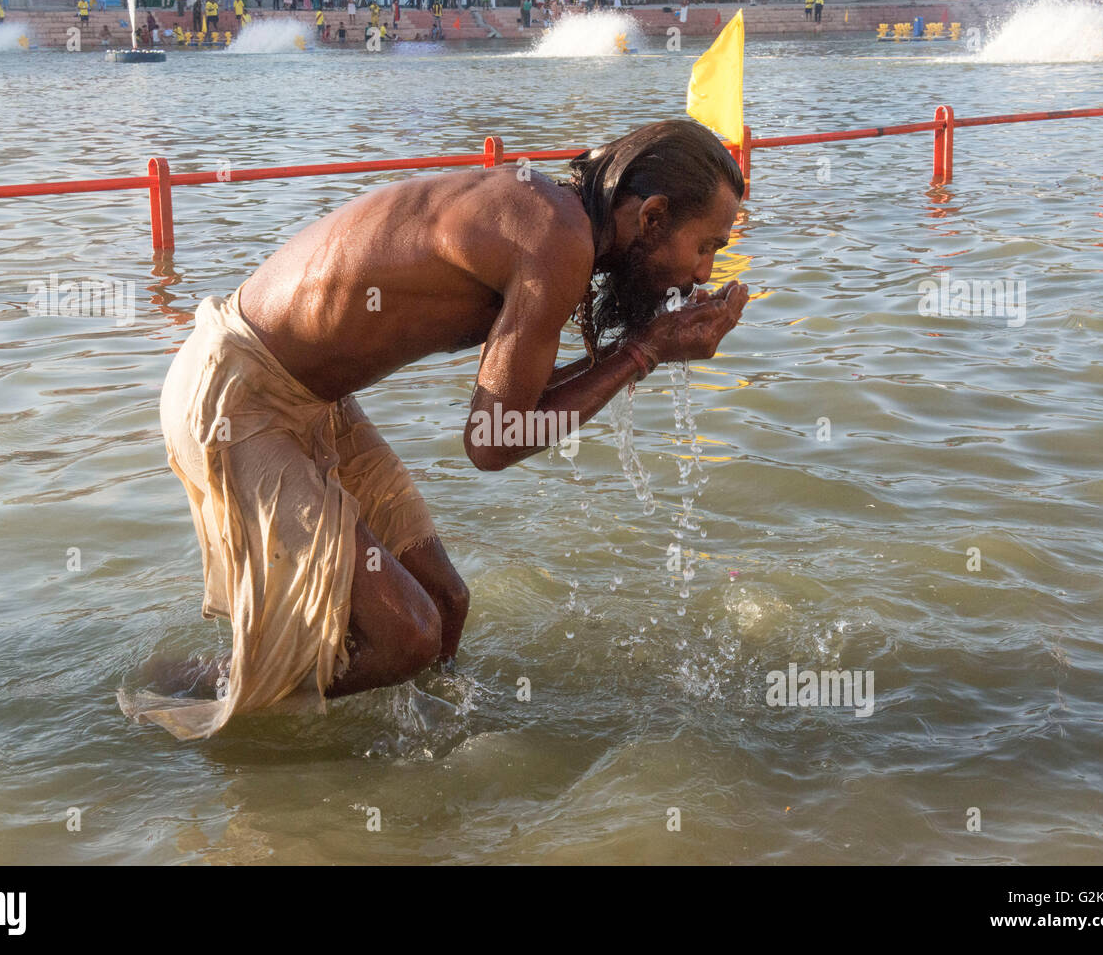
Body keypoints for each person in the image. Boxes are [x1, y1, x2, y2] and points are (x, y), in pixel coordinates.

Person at [124, 120, 748, 740]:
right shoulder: (556, 236)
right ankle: (188, 687)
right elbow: (493, 442)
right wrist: (642, 353)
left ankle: (418, 765)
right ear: (655, 217)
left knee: (445, 606)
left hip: (316, 401)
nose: (702, 275)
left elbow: (515, 406)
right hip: (238, 394)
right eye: (706, 247)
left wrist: (642, 349)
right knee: (408, 633)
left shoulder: (559, 219)